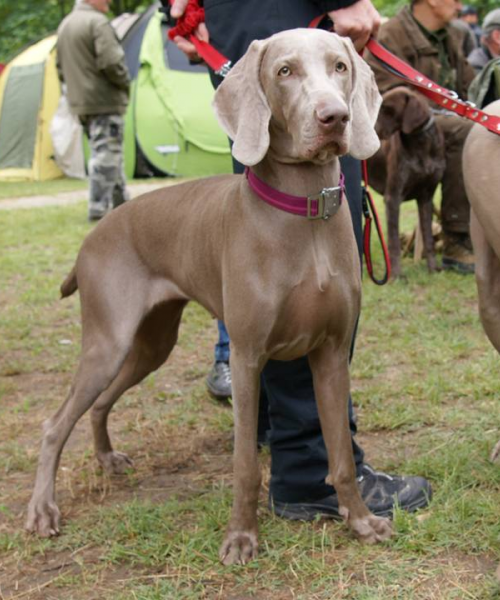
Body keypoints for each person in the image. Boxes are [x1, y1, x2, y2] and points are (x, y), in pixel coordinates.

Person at [169, 0, 432, 520]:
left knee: (298, 256)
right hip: (279, 10)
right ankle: (309, 470)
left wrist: (181, 9)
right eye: (290, 72)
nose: (332, 104)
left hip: (231, 14)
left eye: (340, 71)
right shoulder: (269, 53)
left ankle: (295, 449)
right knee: (278, 249)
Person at [365, 0, 477, 274]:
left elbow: (468, 85)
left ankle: (490, 234)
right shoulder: (390, 36)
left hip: (441, 119)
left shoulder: (452, 35)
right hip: (406, 127)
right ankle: (456, 237)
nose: (460, 5)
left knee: (489, 132)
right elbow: (386, 99)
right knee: (464, 131)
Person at [56, 0, 131, 221]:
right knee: (106, 155)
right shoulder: (97, 22)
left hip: (81, 102)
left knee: (109, 153)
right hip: (103, 99)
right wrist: (125, 81)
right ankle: (98, 208)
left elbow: (59, 67)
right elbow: (111, 61)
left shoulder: (66, 24)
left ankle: (122, 206)